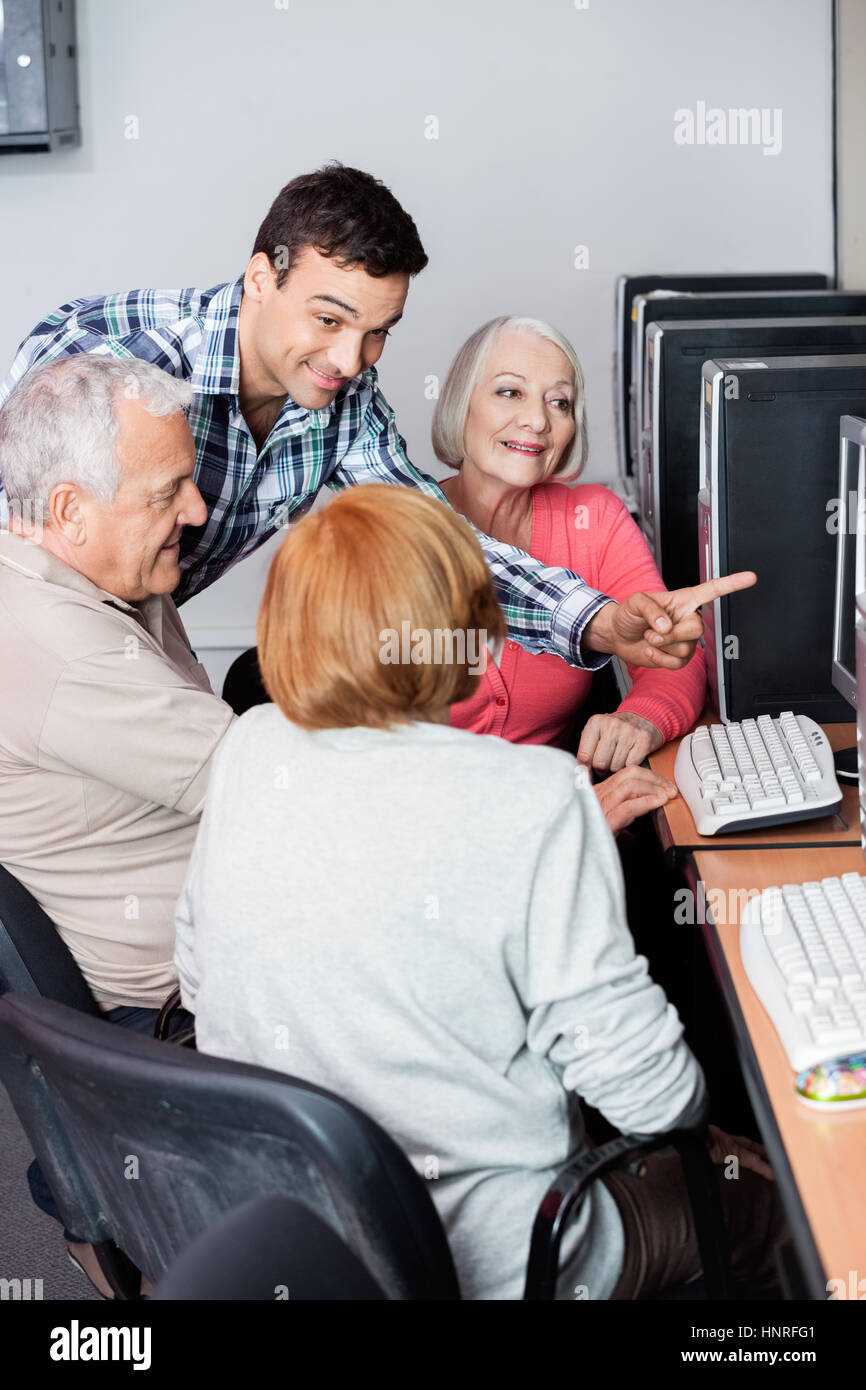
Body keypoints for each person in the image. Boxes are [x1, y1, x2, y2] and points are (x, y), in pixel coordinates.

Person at [174, 484, 782, 1301]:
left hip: (297, 1237)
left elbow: (200, 981)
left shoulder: (249, 748)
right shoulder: (534, 792)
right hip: (506, 1257)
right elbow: (657, 1096)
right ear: (464, 631)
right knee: (777, 1200)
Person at [0, 163, 725, 679]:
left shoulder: (344, 403)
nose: (350, 358)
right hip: (36, 655)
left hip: (145, 638)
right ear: (261, 278)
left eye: (380, 330)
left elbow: (437, 545)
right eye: (328, 318)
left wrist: (597, 621)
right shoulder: (106, 350)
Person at [0, 353, 234, 1291]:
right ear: (68, 512)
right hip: (178, 1021)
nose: (200, 512)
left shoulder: (94, 579)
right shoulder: (57, 646)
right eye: (167, 491)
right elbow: (278, 791)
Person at [439, 316, 708, 834]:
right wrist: (556, 822)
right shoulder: (394, 531)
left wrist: (641, 717)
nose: (537, 421)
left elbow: (672, 655)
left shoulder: (594, 518)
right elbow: (370, 764)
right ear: (460, 402)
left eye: (558, 402)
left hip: (554, 828)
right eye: (510, 392)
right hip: (430, 843)